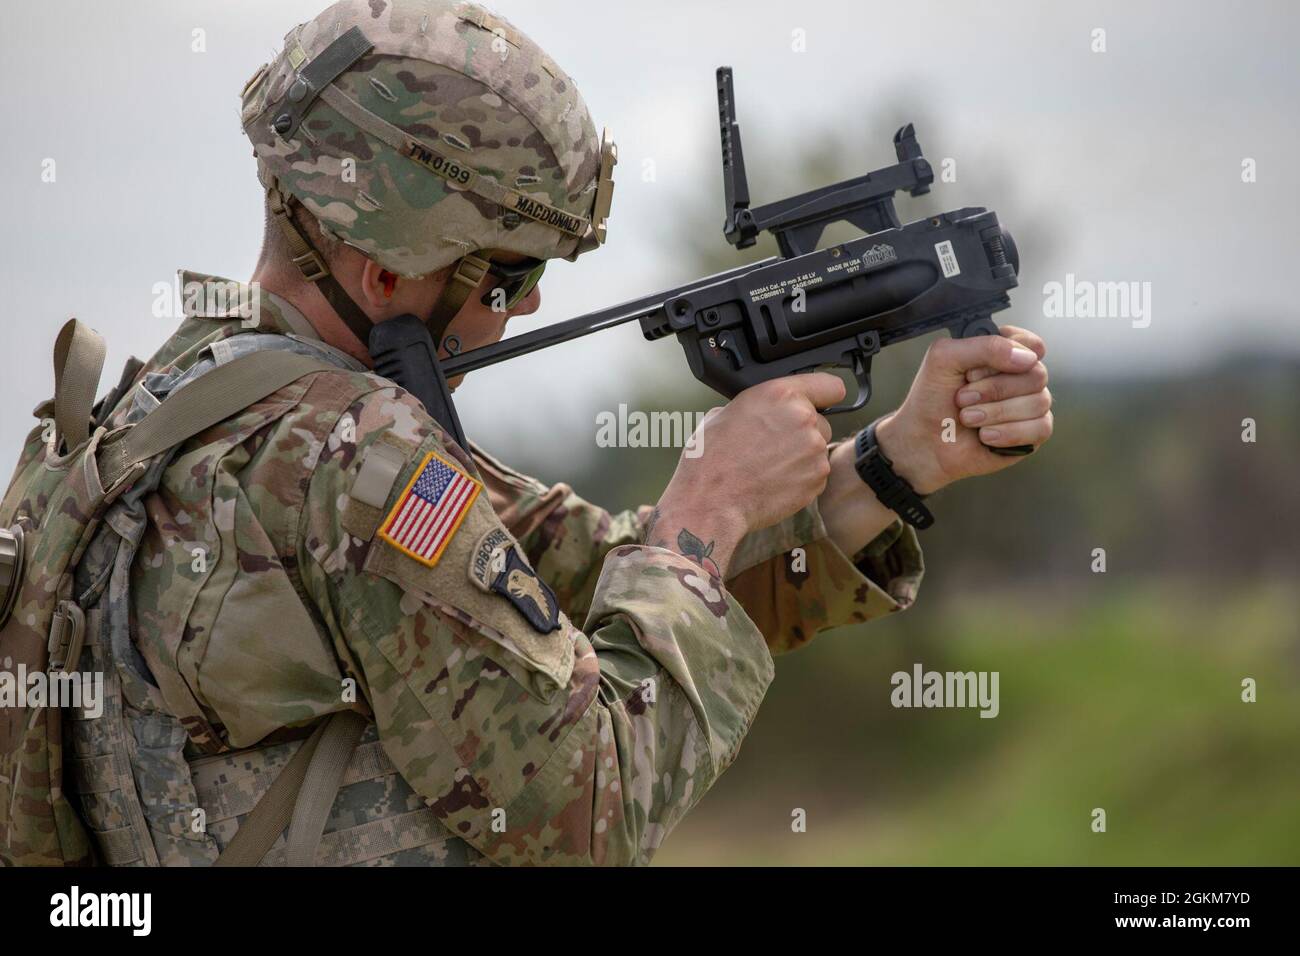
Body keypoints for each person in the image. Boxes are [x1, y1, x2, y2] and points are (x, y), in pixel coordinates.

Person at [65, 0, 1053, 866]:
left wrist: (891, 461)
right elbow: (591, 808)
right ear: (385, 275)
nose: (528, 305)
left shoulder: (159, 415)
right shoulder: (354, 460)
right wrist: (706, 507)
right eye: (505, 276)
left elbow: (578, 582)